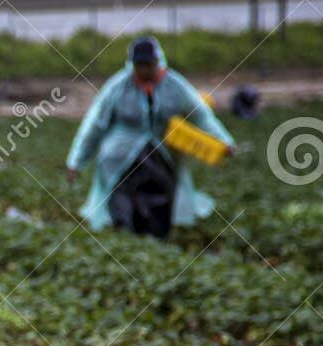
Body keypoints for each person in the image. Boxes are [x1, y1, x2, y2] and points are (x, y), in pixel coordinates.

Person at [65, 37, 233, 238]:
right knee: (123, 205)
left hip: (161, 157)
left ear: (157, 62)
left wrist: (224, 141)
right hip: (120, 160)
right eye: (140, 65)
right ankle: (127, 242)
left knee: (159, 205)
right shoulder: (117, 87)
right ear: (132, 64)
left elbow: (201, 115)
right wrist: (76, 161)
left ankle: (155, 244)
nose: (144, 70)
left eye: (148, 64)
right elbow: (94, 125)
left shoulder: (174, 85)